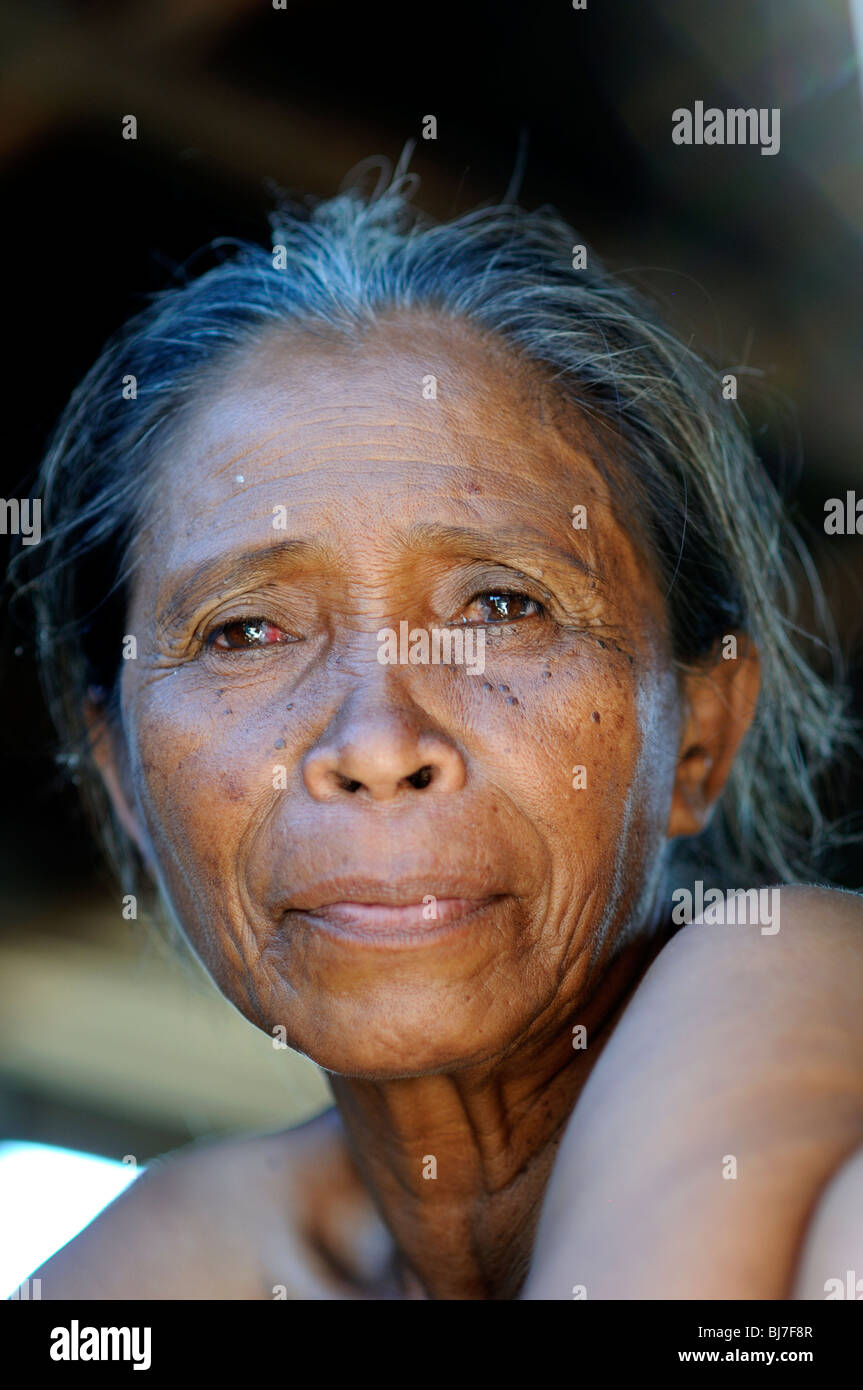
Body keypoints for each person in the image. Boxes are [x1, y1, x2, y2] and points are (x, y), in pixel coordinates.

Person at [11, 176, 863, 1299]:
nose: (376, 741)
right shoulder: (172, 1261)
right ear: (122, 776)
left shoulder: (778, 969)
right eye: (246, 630)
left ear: (699, 734)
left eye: (501, 608)